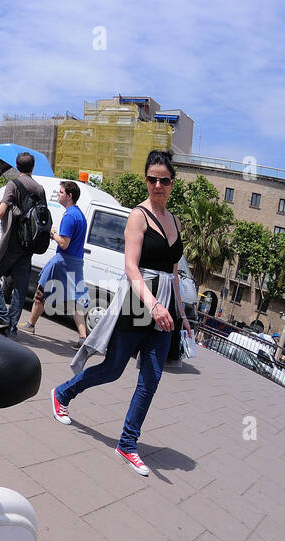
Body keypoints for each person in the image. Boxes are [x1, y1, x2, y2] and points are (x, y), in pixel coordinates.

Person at [50, 151, 191, 477]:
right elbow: (131, 267)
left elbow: (174, 272)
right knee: (113, 369)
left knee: (151, 378)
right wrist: (153, 305)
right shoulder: (138, 216)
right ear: (146, 180)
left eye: (164, 180)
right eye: (152, 178)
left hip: (165, 306)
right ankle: (62, 393)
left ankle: (128, 443)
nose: (158, 185)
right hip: (139, 304)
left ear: (172, 183)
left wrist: (180, 314)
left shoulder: (175, 221)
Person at [0, 151, 46, 339]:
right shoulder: (40, 189)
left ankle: (1, 316)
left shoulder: (13, 184)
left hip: (12, 242)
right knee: (20, 286)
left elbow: (2, 211)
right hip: (29, 244)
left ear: (16, 166)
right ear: (32, 168)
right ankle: (10, 327)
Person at [23, 180, 89, 342]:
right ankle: (83, 337)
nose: (58, 195)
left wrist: (51, 233)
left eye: (60, 192)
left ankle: (30, 325)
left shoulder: (69, 216)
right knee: (75, 300)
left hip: (62, 261)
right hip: (76, 261)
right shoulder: (80, 215)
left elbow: (64, 243)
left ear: (69, 196)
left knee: (40, 292)